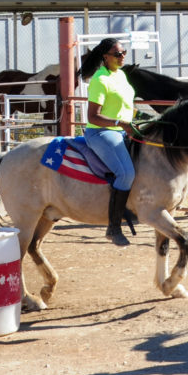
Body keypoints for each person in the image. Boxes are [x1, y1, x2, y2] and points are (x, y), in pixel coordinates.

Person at [79, 38, 136, 247]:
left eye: (124, 52)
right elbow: (93, 116)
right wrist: (120, 123)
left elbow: (125, 103)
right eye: (118, 54)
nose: (123, 57)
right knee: (126, 173)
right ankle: (113, 228)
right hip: (103, 132)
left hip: (123, 128)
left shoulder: (120, 75)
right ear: (106, 57)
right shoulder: (100, 80)